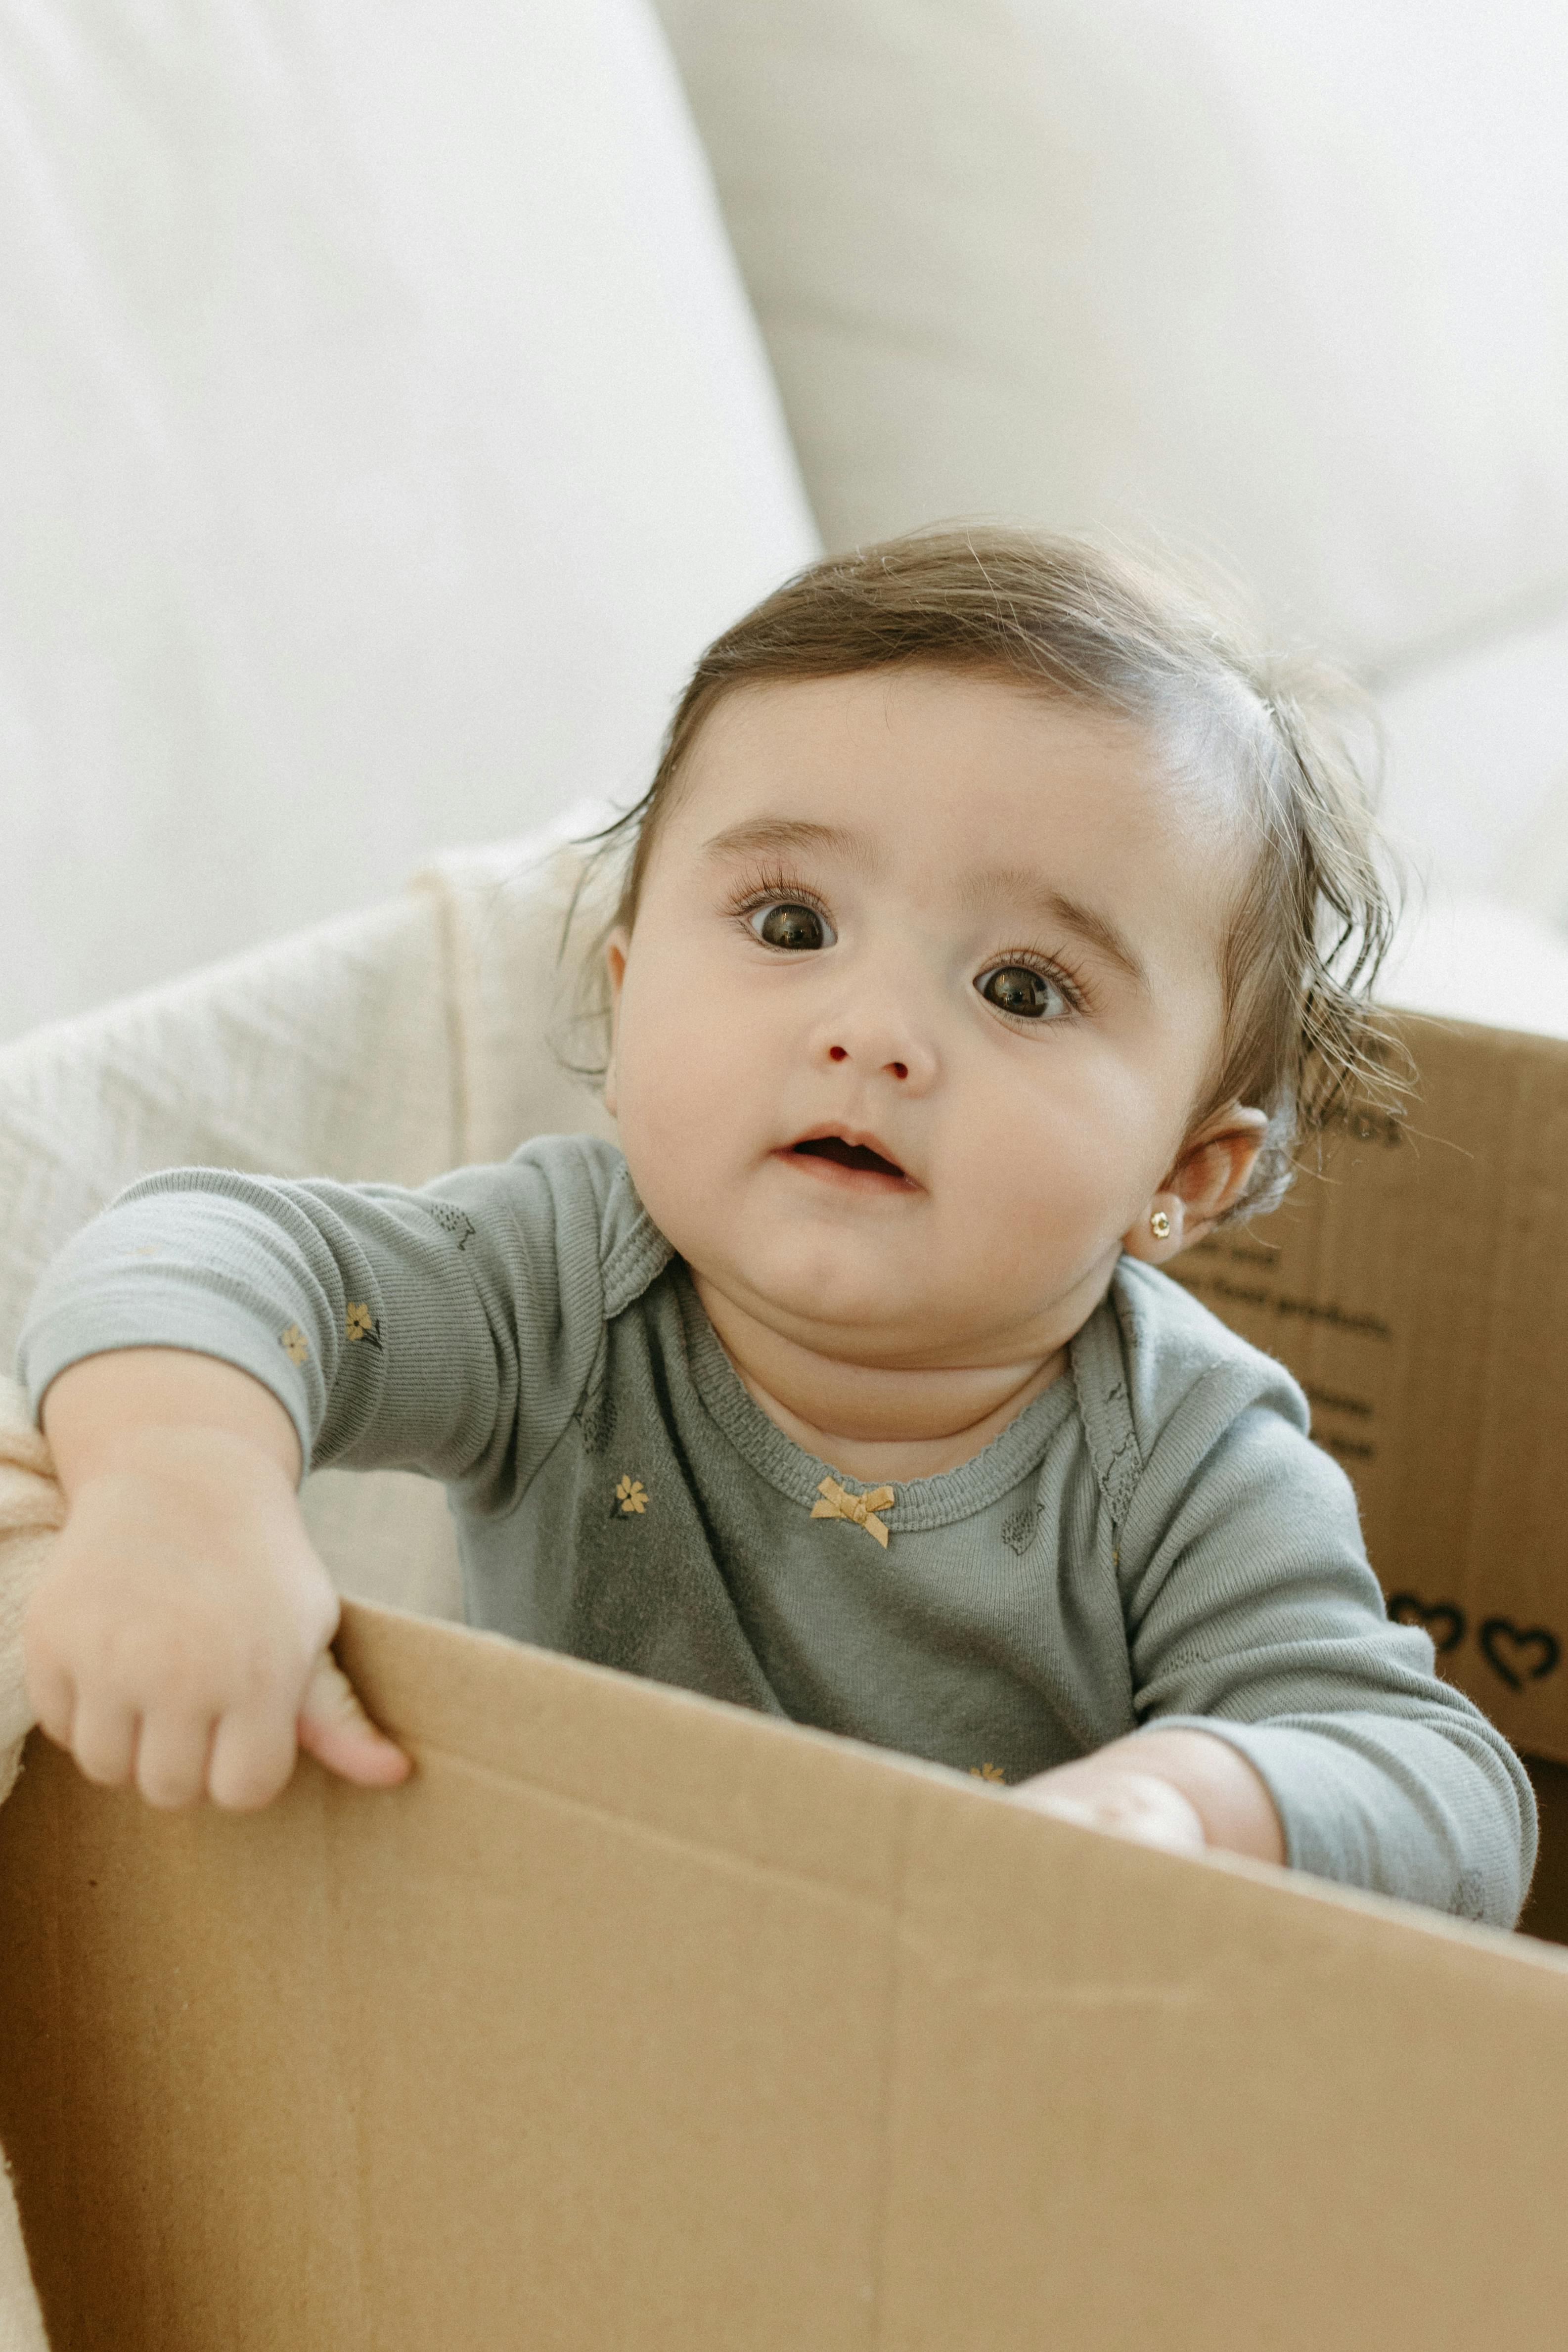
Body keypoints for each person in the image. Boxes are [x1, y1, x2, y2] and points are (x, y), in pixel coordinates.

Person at [17, 529, 1534, 1923]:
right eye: (791, 924)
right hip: (551, 1997)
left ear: (1186, 1175)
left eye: (1021, 988)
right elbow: (199, 1252)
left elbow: (1443, 1789)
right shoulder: (558, 1283)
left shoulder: (1184, 1453)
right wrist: (181, 1486)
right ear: (623, 1004)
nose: (872, 1033)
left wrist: (1187, 1802)